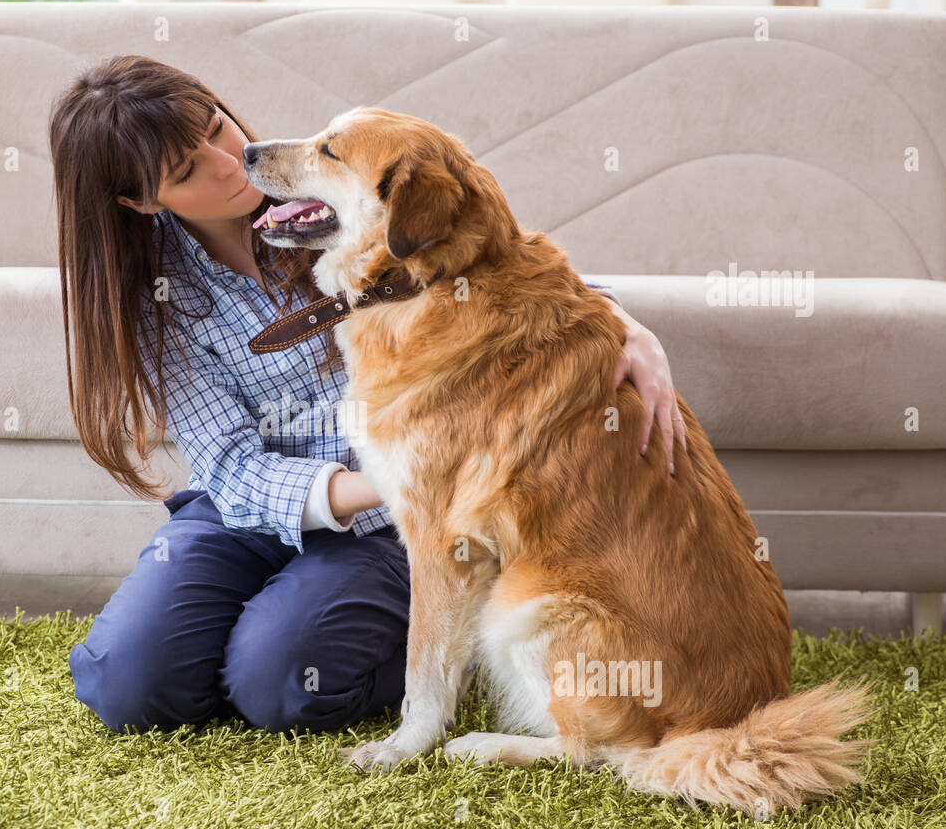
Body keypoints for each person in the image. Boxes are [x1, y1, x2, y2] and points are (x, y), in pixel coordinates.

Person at [51, 54, 688, 737]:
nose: (230, 160)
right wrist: (393, 480)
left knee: (279, 682)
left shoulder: (339, 185)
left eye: (218, 126)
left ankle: (420, 644)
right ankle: (280, 634)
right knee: (126, 682)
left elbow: (498, 265)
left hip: (389, 527)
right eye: (186, 171)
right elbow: (232, 468)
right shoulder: (153, 290)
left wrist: (628, 323)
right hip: (263, 506)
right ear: (142, 203)